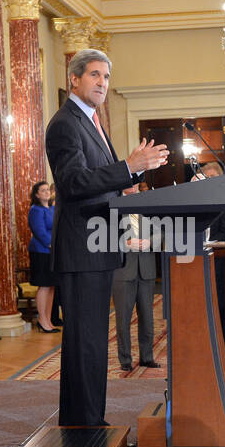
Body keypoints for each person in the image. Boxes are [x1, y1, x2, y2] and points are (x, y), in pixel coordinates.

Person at [45, 48, 168, 426]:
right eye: (95, 75)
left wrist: (125, 185)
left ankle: (87, 421)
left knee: (94, 341)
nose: (102, 83)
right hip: (82, 248)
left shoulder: (92, 121)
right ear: (75, 80)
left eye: (107, 77)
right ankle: (83, 426)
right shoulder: (66, 123)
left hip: (98, 245)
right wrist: (128, 167)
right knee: (86, 342)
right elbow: (73, 182)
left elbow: (96, 181)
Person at [111, 185, 158, 371]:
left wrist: (150, 241)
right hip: (123, 270)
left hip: (146, 269)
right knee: (123, 318)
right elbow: (104, 236)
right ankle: (125, 360)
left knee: (147, 316)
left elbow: (162, 231)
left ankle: (147, 357)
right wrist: (125, 243)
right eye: (131, 183)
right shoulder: (113, 206)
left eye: (137, 184)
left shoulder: (148, 206)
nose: (135, 187)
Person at [28, 181, 57, 333]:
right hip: (41, 251)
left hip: (53, 251)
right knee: (44, 285)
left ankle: (48, 320)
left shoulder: (52, 208)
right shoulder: (36, 210)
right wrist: (50, 244)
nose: (46, 192)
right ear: (37, 194)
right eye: (43, 190)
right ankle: (42, 320)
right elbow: (39, 231)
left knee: (51, 286)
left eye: (48, 190)